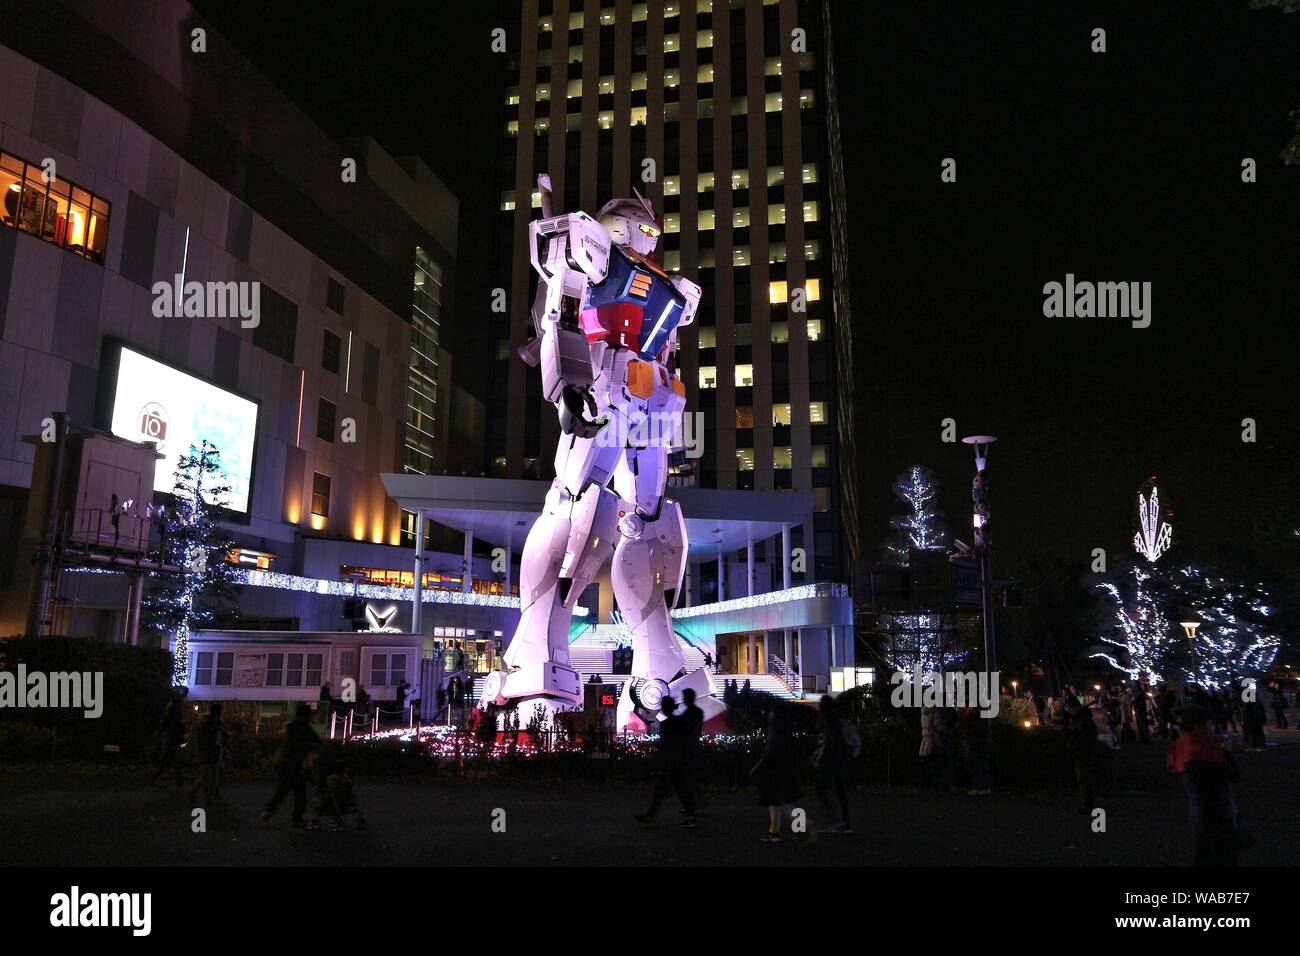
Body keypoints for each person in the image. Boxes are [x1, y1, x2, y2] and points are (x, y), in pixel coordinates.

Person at [1167, 706, 1242, 867]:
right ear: (1197, 726)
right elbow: (1235, 775)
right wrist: (1227, 752)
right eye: (1209, 724)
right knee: (1222, 857)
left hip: (1198, 813)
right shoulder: (1202, 752)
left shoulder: (1183, 745)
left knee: (1204, 855)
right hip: (1217, 814)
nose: (1212, 728)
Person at [635, 696, 696, 827]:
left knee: (663, 790)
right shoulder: (679, 722)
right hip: (679, 762)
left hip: (670, 763)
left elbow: (664, 746)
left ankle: (651, 816)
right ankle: (690, 817)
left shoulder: (667, 724)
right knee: (682, 790)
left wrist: (659, 762)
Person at [261, 704, 322, 828]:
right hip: (295, 766)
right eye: (309, 716)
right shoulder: (303, 728)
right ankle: (296, 819)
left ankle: (268, 812)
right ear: (305, 716)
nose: (310, 718)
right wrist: (310, 747)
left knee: (283, 792)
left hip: (289, 765)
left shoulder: (293, 727)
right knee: (299, 795)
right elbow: (312, 743)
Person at [750, 707, 801, 842]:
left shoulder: (775, 731)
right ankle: (774, 832)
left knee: (779, 803)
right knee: (777, 803)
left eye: (772, 711)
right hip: (781, 770)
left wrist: (757, 767)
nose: (769, 713)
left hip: (774, 771)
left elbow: (770, 752)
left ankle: (807, 825)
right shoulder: (784, 731)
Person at [813, 695, 852, 831]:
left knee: (821, 788)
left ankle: (834, 819)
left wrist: (820, 757)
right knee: (839, 790)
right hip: (839, 760)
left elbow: (829, 743)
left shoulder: (829, 721)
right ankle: (843, 821)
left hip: (831, 761)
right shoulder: (836, 719)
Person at [190, 703, 229, 805]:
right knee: (211, 777)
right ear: (219, 712)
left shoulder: (206, 722)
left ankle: (203, 795)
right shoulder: (213, 724)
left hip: (209, 752)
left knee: (208, 776)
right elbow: (215, 738)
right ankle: (207, 797)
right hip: (210, 752)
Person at [1064, 695, 1098, 812]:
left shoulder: (1083, 720)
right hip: (1083, 751)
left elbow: (1081, 735)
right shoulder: (1081, 718)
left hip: (1083, 752)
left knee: (1083, 778)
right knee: (1084, 778)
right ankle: (1087, 802)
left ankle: (1087, 805)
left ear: (1074, 707)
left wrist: (1068, 732)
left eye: (1069, 708)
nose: (1068, 710)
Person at [153, 694, 187, 788]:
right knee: (172, 759)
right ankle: (179, 778)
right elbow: (180, 727)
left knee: (166, 760)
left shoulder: (170, 716)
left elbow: (163, 726)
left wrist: (158, 734)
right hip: (173, 739)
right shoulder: (177, 716)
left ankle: (156, 777)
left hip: (169, 739)